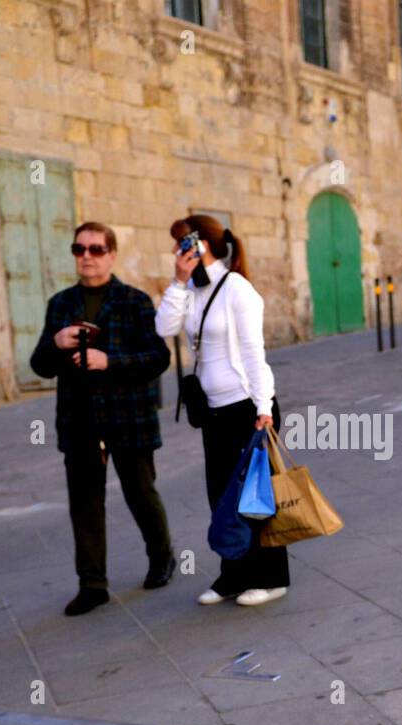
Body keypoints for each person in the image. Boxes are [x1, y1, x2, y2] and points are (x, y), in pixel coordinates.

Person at [29, 222, 176, 615]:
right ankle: (92, 584)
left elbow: (158, 358)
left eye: (96, 249)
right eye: (80, 249)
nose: (87, 256)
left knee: (141, 493)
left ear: (111, 254)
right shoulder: (60, 304)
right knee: (85, 503)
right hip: (79, 421)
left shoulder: (135, 301)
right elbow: (40, 365)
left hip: (128, 416)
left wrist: (108, 361)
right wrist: (57, 343)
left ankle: (162, 557)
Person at [154, 215, 289, 608]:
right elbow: (164, 326)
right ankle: (234, 575)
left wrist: (264, 407)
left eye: (179, 242)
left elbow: (253, 352)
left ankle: (271, 577)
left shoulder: (237, 290)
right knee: (221, 496)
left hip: (247, 408)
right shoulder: (193, 290)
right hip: (213, 412)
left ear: (199, 244)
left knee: (255, 496)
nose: (174, 251)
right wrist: (178, 281)